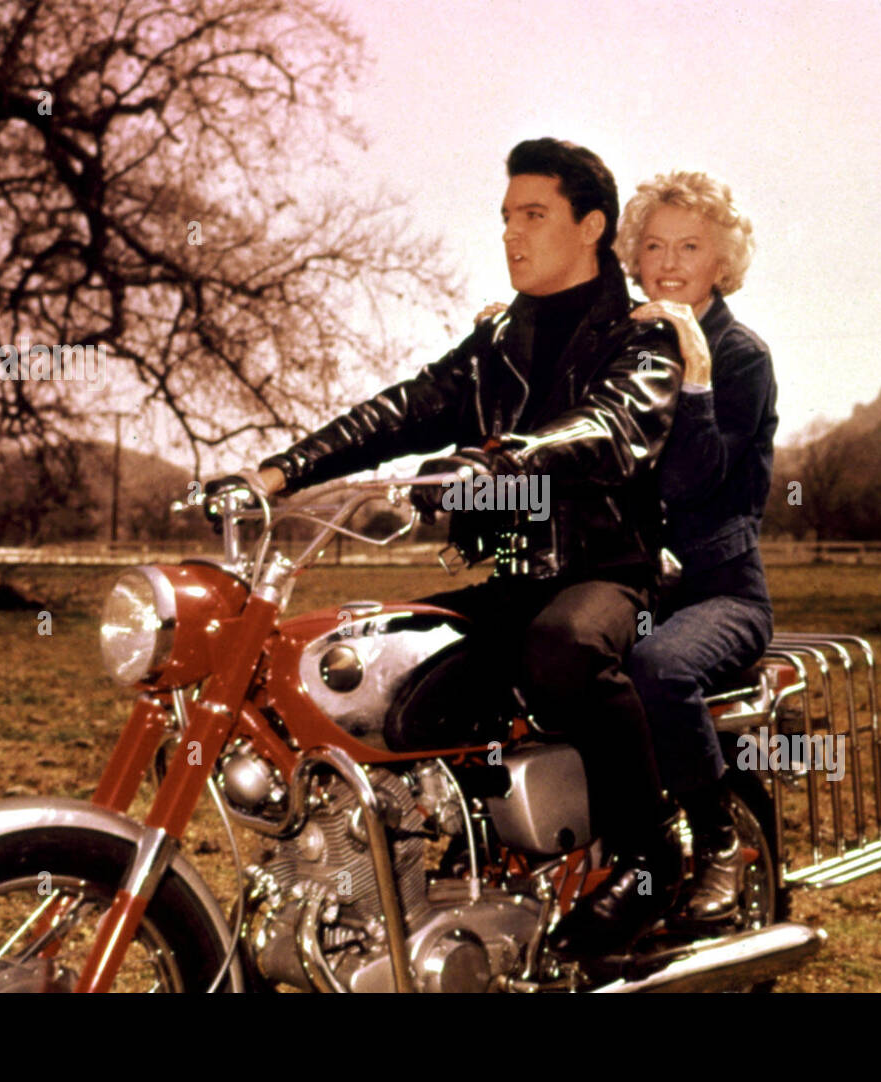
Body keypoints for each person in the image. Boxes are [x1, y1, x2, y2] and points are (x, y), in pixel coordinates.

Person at [224, 138, 688, 955]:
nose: (512, 234)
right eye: (506, 217)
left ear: (591, 227)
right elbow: (401, 411)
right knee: (371, 661)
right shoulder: (500, 341)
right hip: (511, 575)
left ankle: (654, 853)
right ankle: (412, 874)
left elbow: (616, 429)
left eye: (534, 216)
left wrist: (504, 458)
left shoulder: (640, 333)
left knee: (563, 647)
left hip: (608, 573)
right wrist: (279, 472)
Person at [616, 171, 779, 921]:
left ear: (722, 263)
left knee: (659, 665)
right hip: (633, 583)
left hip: (722, 591)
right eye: (654, 244)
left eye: (690, 246)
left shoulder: (740, 356)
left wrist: (697, 374)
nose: (669, 261)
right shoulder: (623, 343)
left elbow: (689, 483)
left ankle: (717, 842)